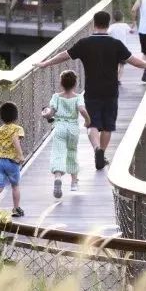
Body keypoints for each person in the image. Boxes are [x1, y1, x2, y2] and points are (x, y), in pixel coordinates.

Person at [35, 11, 146, 171]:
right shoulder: (116, 44)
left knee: (92, 124)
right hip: (110, 91)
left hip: (92, 91)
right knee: (108, 126)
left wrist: (45, 63)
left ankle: (96, 148)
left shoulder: (84, 43)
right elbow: (135, 62)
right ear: (108, 24)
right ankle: (102, 153)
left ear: (94, 24)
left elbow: (65, 55)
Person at [40, 70, 90, 198]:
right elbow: (82, 109)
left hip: (60, 127)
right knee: (72, 152)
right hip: (73, 128)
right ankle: (74, 182)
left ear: (61, 84)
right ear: (75, 84)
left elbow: (51, 112)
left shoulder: (56, 96)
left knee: (58, 153)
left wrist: (46, 114)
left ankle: (58, 177)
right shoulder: (78, 97)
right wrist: (88, 120)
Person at [108, 10, 131, 85]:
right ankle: (118, 79)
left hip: (113, 48)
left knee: (114, 65)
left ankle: (113, 78)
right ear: (122, 18)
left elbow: (107, 33)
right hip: (123, 49)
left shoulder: (112, 26)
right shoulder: (125, 25)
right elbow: (131, 31)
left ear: (114, 19)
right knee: (121, 65)